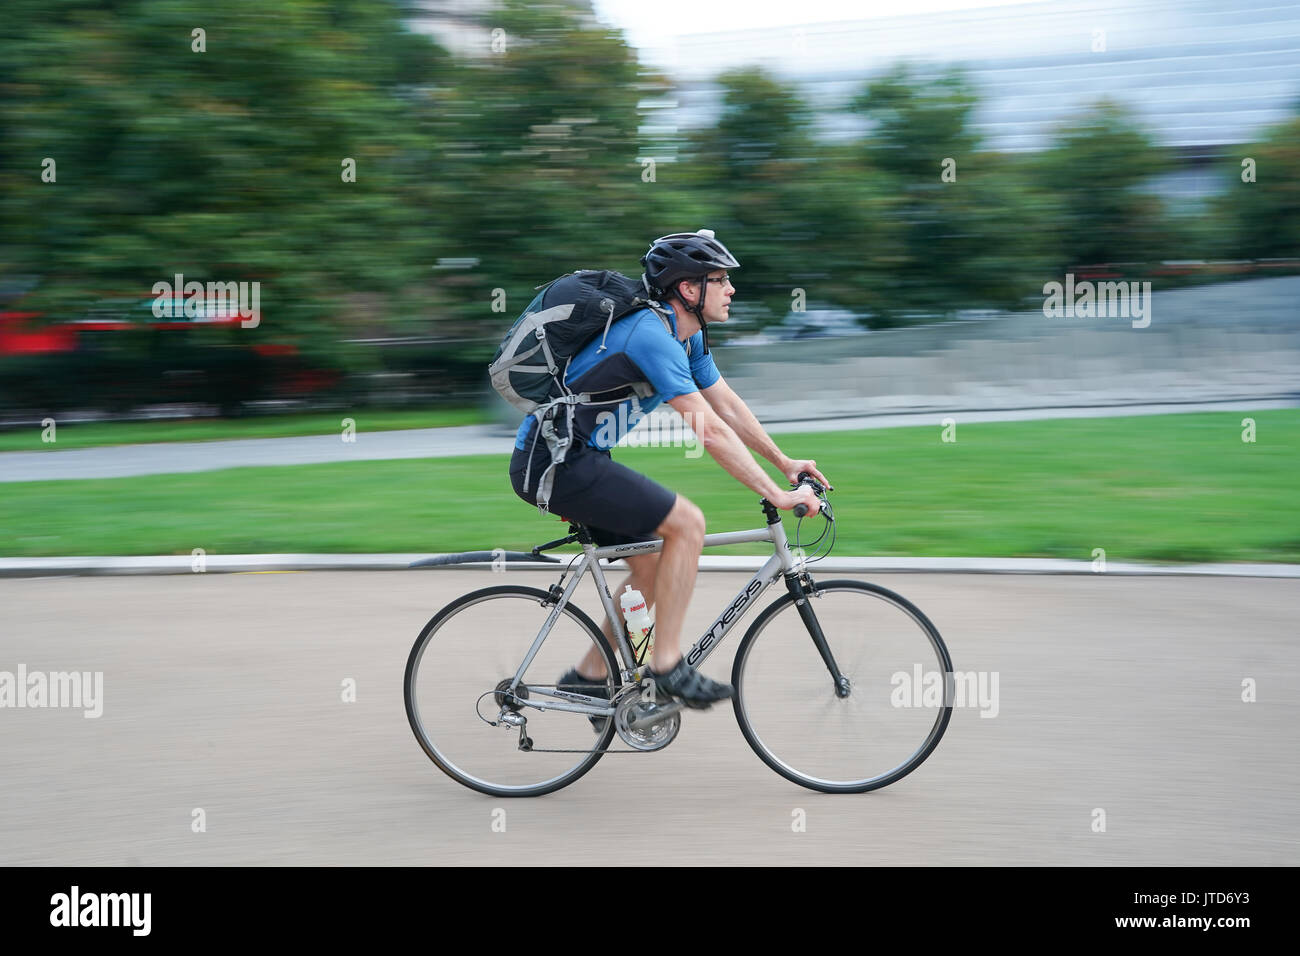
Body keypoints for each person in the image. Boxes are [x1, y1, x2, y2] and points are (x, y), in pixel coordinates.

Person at [508, 230, 830, 708]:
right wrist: (780, 497)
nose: (731, 289)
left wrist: (783, 464)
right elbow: (711, 432)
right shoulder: (651, 336)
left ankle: (588, 677)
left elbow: (727, 407)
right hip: (554, 462)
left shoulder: (688, 336)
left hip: (580, 457)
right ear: (687, 289)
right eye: (720, 280)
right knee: (688, 523)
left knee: (654, 564)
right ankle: (668, 666)